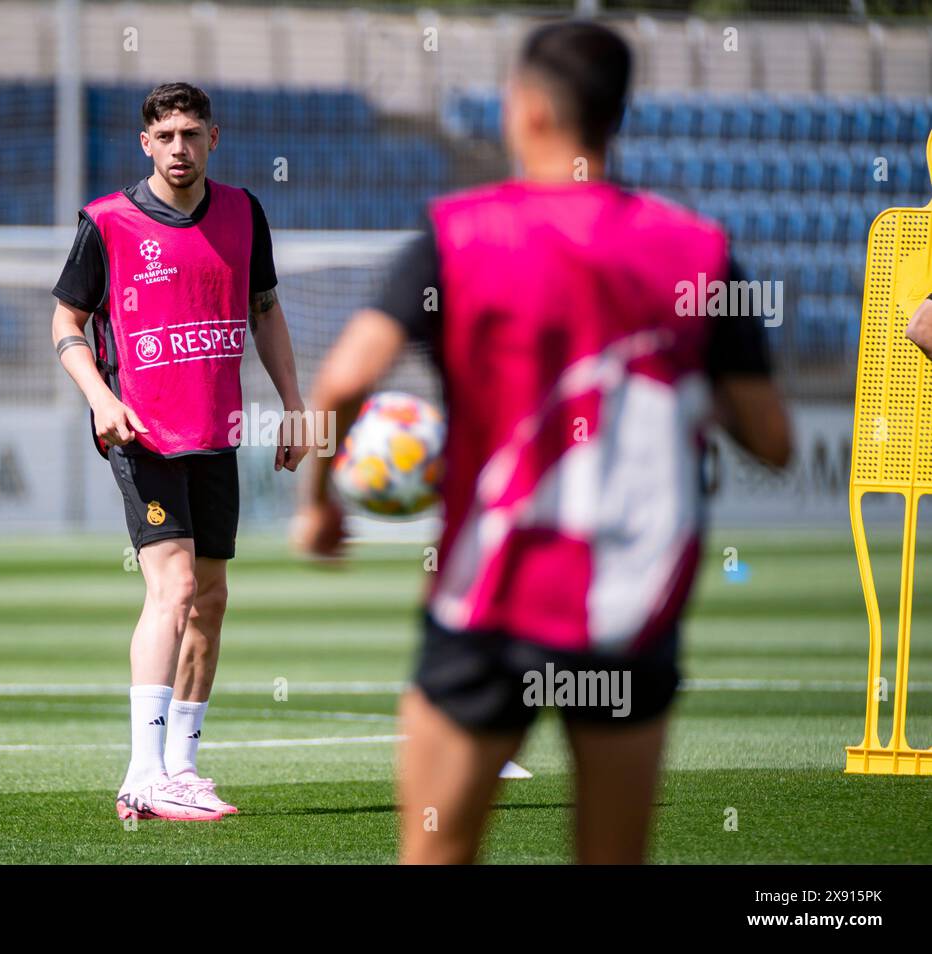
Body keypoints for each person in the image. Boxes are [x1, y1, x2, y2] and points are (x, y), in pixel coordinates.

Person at [293, 20, 792, 863]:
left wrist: (321, 506)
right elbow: (773, 443)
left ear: (524, 111)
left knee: (437, 853)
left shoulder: (456, 235)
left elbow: (342, 383)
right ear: (616, 116)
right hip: (631, 608)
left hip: (489, 601)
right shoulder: (699, 253)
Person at [51, 82, 308, 821]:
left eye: (191, 134)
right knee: (175, 590)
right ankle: (142, 772)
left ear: (213, 138)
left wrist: (296, 407)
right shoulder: (108, 222)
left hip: (217, 432)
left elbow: (265, 309)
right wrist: (101, 398)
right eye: (165, 136)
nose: (179, 148)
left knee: (213, 600)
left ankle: (181, 768)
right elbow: (66, 319)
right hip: (141, 432)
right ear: (146, 144)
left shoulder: (243, 212)